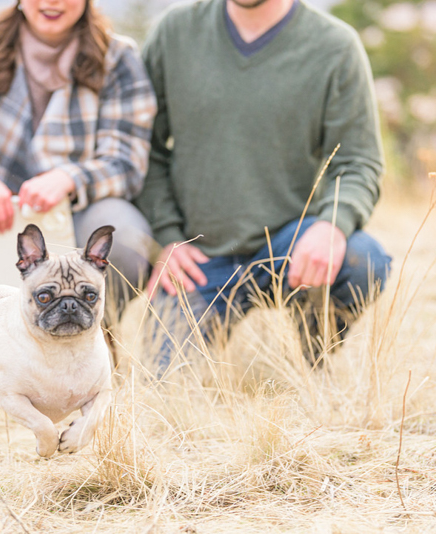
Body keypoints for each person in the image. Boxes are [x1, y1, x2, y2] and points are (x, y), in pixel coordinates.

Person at [135, 0, 392, 366]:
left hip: (290, 247)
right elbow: (145, 148)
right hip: (197, 259)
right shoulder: (174, 32)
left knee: (362, 259)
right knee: (165, 385)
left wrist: (332, 224)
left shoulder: (335, 46)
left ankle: (309, 358)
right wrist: (167, 237)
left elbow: (359, 161)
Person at [0, 0, 157, 310]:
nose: (52, 2)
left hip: (79, 211)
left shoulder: (117, 57)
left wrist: (69, 178)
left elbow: (128, 161)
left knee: (126, 237)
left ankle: (95, 335)